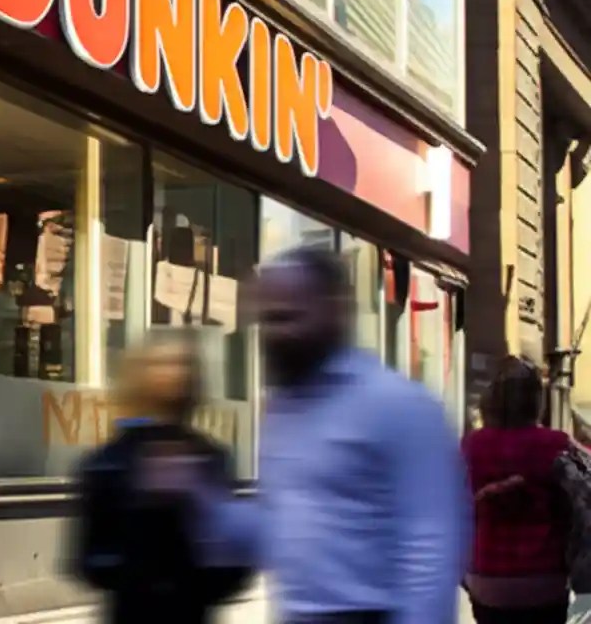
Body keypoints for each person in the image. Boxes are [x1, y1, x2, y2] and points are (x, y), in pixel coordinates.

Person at [192, 246, 470, 624]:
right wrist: (201, 500)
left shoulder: (399, 406)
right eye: (268, 320)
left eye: (289, 317)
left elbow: (431, 548)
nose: (275, 333)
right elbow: (277, 532)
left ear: (334, 310)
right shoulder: (281, 411)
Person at [71, 328, 251, 624]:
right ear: (139, 376)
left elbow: (233, 563)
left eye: (183, 363)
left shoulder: (210, 458)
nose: (174, 374)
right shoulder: (110, 463)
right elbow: (90, 562)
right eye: (163, 363)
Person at [462, 355, 571, 624]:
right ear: (536, 400)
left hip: (487, 579)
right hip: (545, 580)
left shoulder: (471, 446)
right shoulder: (556, 444)